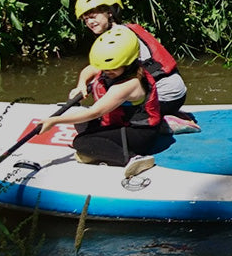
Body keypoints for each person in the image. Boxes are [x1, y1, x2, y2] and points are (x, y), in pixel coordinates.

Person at [40, 28, 167, 177]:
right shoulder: (116, 66)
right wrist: (81, 84)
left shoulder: (128, 84)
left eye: (112, 69)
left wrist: (54, 121)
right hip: (122, 123)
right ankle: (100, 151)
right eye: (104, 68)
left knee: (81, 142)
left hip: (141, 134)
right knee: (81, 124)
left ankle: (133, 158)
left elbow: (95, 112)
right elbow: (90, 69)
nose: (107, 71)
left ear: (128, 62)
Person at [72, 0, 194, 129]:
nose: (90, 22)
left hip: (166, 97)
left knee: (102, 99)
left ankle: (162, 123)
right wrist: (81, 84)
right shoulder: (120, 31)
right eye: (86, 19)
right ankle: (163, 114)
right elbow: (94, 67)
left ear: (109, 12)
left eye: (93, 16)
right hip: (174, 94)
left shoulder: (120, 38)